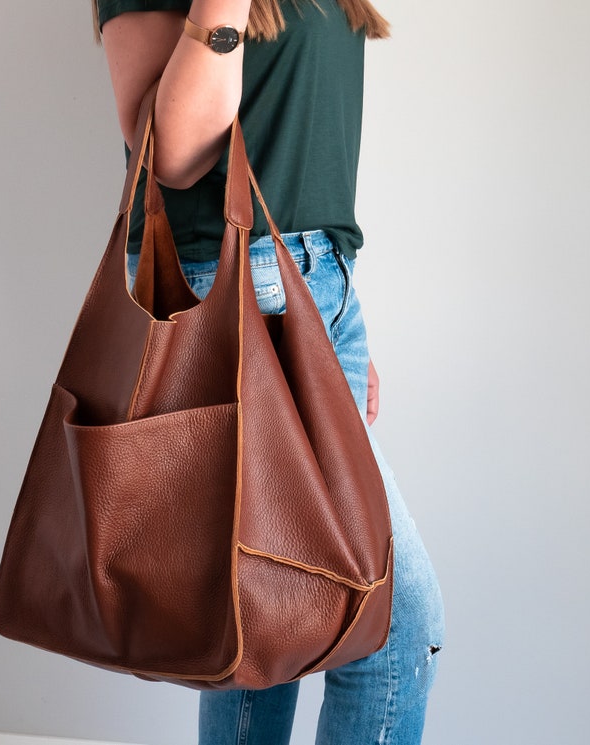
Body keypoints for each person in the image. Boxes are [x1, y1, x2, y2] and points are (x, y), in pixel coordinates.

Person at [93, 1, 445, 743]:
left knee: (263, 614)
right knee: (393, 621)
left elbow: (300, 136)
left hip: (316, 292)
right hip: (235, 296)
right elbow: (174, 153)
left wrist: (333, 319)